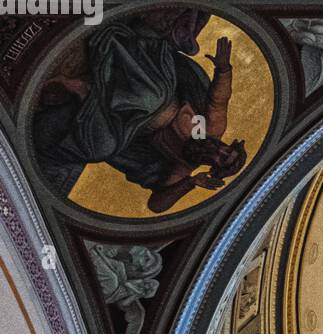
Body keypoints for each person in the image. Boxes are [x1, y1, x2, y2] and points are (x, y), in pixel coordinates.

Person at [33, 9, 247, 212]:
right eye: (227, 150)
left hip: (125, 125)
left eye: (222, 159)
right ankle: (83, 85)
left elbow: (157, 205)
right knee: (151, 98)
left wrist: (190, 183)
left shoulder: (183, 165)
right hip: (156, 81)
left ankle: (80, 93)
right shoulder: (210, 128)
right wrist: (223, 69)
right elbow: (218, 100)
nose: (220, 152)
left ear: (214, 168)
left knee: (99, 149)